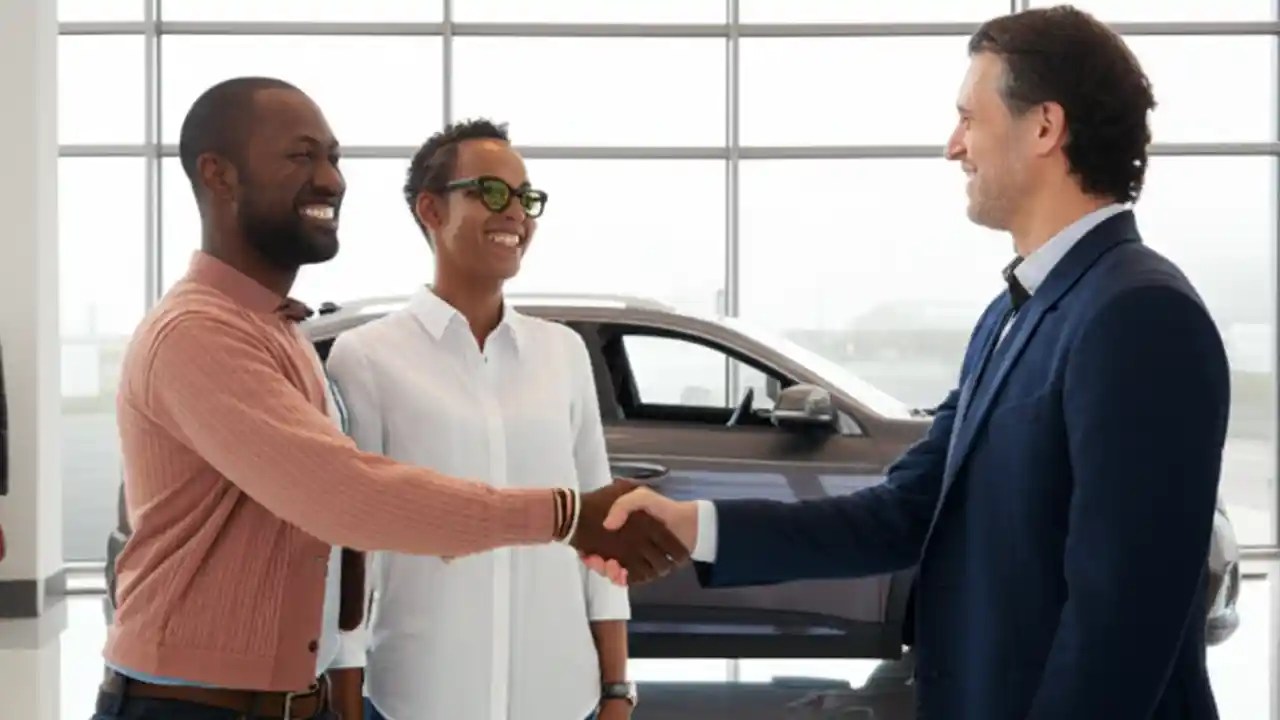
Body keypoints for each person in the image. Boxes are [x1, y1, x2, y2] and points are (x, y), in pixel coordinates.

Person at [587, 7, 1229, 720]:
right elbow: (902, 513)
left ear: (1045, 127)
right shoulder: (1014, 313)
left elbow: (1122, 620)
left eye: (969, 118)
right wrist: (691, 525)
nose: (954, 147)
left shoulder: (1138, 314)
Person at [92, 77, 686, 720]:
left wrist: (613, 682)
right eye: (300, 156)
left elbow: (329, 550)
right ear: (219, 175)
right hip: (196, 705)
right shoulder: (204, 333)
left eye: (334, 158)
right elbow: (348, 501)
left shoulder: (278, 330)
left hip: (291, 696)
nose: (331, 179)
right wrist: (568, 515)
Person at [323, 119, 635, 720]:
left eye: (526, 198)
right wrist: (346, 694)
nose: (515, 213)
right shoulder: (368, 357)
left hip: (561, 696)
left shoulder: (562, 354)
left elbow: (602, 532)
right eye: (491, 193)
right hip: (420, 697)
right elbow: (352, 547)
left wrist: (618, 687)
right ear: (431, 211)